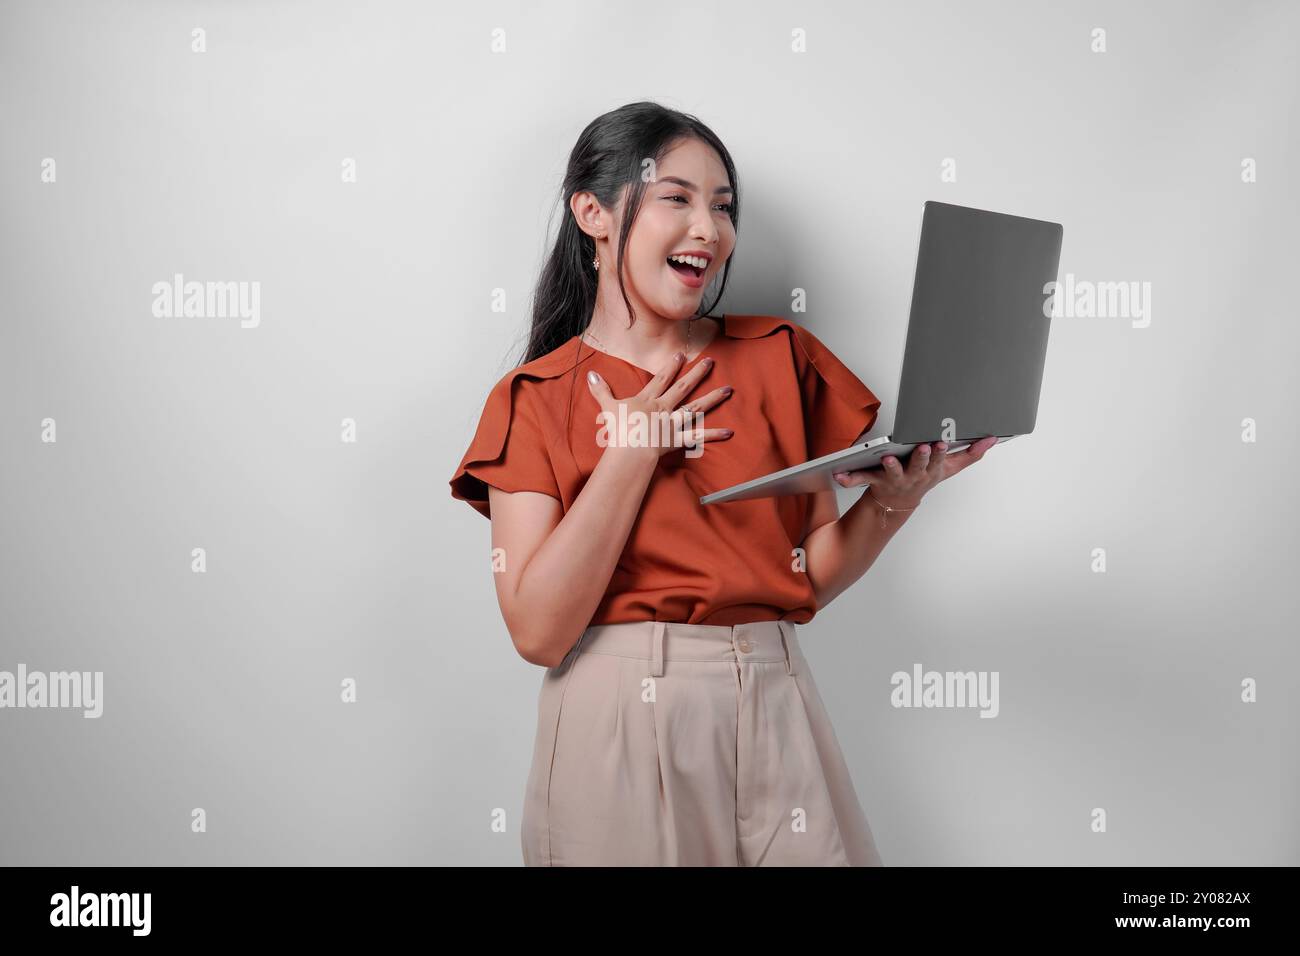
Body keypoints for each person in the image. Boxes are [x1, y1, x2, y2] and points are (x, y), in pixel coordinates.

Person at [449, 101, 996, 866]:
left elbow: (806, 575)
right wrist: (631, 456)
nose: (710, 229)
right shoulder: (534, 398)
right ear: (593, 214)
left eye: (723, 206)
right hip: (619, 716)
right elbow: (538, 632)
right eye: (677, 198)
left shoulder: (780, 354)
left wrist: (891, 502)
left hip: (777, 695)